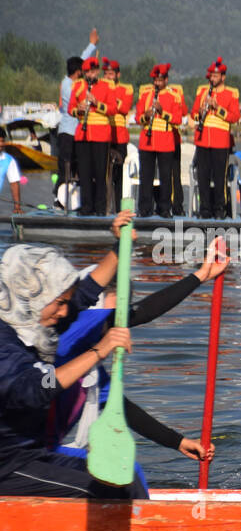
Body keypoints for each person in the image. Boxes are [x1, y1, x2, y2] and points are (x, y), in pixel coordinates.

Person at [53, 234, 229, 479]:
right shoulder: (67, 336)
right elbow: (141, 313)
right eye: (111, 315)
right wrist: (199, 276)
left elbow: (124, 409)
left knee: (122, 472)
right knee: (126, 475)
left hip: (40, 451)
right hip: (20, 456)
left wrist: (178, 442)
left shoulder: (89, 372)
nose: (117, 324)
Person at [0, 213, 145, 498]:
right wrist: (99, 350)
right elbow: (33, 389)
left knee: (126, 480)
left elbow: (84, 294)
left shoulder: (30, 321)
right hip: (6, 467)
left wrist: (120, 247)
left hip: (31, 457)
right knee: (105, 495)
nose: (65, 312)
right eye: (59, 303)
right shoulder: (3, 341)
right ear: (31, 292)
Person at [191, 56, 240, 219]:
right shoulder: (202, 92)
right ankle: (205, 209)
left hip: (221, 142)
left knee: (220, 178)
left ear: (223, 77)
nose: (212, 79)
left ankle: (220, 209)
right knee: (203, 176)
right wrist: (201, 110)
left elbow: (234, 117)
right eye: (211, 76)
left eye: (215, 76)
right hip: (203, 139)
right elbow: (193, 115)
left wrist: (217, 108)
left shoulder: (231, 94)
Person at [134, 63, 185, 218]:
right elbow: (137, 117)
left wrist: (162, 112)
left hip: (165, 140)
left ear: (166, 80)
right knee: (146, 176)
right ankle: (145, 208)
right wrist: (146, 116)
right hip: (147, 141)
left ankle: (164, 208)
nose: (157, 83)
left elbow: (177, 119)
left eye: (160, 80)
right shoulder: (145, 94)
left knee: (165, 177)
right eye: (155, 80)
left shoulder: (174, 96)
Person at [56, 29, 98, 207]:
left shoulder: (71, 81)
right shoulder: (70, 86)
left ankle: (74, 200)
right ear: (77, 72)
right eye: (82, 71)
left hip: (76, 132)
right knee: (66, 167)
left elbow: (81, 61)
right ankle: (59, 200)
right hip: (68, 132)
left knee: (77, 167)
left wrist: (92, 45)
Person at [68, 56, 113, 216]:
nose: (91, 74)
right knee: (84, 172)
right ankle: (86, 207)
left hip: (101, 134)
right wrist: (78, 109)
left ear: (98, 71)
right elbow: (70, 108)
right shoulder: (78, 86)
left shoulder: (107, 86)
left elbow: (112, 108)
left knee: (100, 173)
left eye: (93, 71)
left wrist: (96, 103)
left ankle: (100, 208)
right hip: (83, 134)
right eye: (88, 72)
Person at [101, 60, 132, 213]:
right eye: (105, 74)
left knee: (118, 177)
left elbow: (125, 108)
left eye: (111, 74)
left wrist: (110, 100)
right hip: (104, 135)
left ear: (118, 75)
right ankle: (103, 208)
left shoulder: (126, 89)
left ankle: (119, 209)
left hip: (119, 136)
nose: (108, 77)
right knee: (103, 174)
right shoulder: (100, 88)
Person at [0, 128, 22, 211]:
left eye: (2, 141)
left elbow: (14, 184)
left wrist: (17, 207)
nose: (1, 144)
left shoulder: (9, 160)